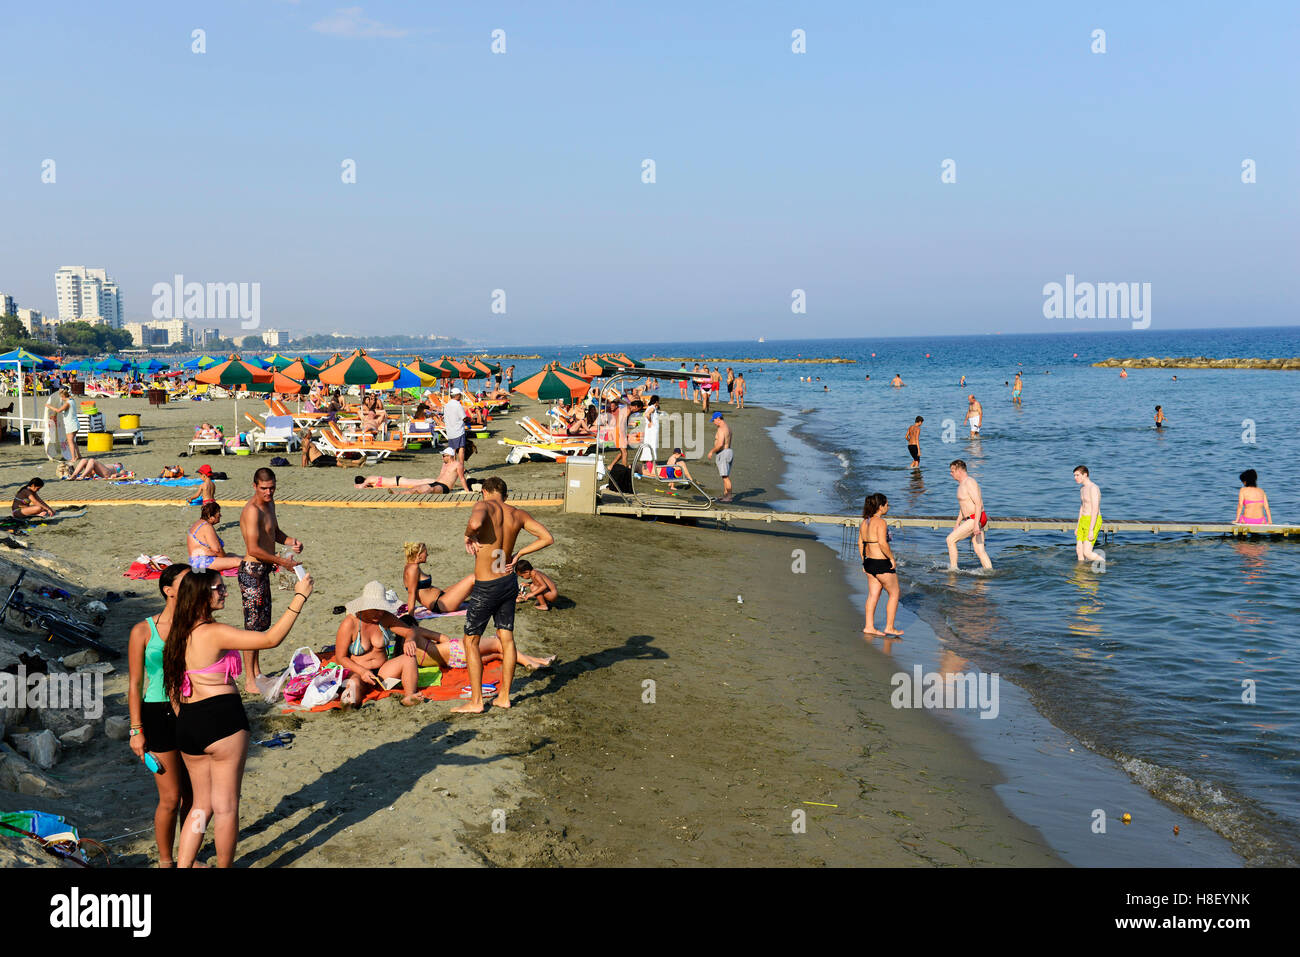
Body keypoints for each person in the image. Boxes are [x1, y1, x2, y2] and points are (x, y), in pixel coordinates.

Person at [163, 567, 313, 867]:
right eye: (219, 588)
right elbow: (270, 639)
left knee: (199, 807)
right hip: (222, 722)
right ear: (202, 595)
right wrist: (299, 597)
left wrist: (185, 722)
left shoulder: (178, 635)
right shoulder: (213, 632)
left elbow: (174, 691)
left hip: (189, 724)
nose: (225, 592)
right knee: (226, 807)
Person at [452, 477, 553, 713]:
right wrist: (518, 554)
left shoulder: (484, 505)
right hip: (508, 583)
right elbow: (547, 538)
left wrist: (469, 535)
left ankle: (477, 701)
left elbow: (476, 523)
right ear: (505, 496)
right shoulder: (517, 514)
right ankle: (504, 697)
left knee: (471, 641)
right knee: (506, 639)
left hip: (486, 586)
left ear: (485, 491)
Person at [126, 563, 193, 867]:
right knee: (171, 798)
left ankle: (187, 858)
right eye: (186, 581)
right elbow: (135, 683)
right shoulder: (143, 630)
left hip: (194, 709)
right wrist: (135, 730)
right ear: (168, 591)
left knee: (195, 798)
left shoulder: (198, 625)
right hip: (157, 712)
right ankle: (166, 862)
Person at [238, 468, 303, 694]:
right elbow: (253, 548)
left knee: (260, 626)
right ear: (254, 486)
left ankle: (257, 673)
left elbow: (273, 533)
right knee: (252, 627)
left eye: (272, 487)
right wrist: (282, 562)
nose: (268, 492)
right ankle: (249, 679)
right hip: (251, 570)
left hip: (263, 570)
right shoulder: (252, 511)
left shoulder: (271, 504)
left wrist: (290, 541)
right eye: (264, 488)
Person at [334, 583, 425, 708]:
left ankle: (409, 695)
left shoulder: (385, 618)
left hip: (383, 671)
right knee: (354, 687)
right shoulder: (350, 623)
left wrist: (409, 640)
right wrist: (362, 671)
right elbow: (340, 657)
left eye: (382, 609)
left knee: (409, 658)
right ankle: (349, 702)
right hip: (358, 671)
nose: (380, 613)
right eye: (376, 609)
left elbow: (410, 631)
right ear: (365, 606)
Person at [858, 493, 903, 637]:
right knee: (894, 593)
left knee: (873, 595)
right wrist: (891, 558)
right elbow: (883, 544)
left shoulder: (865, 522)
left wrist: (863, 561)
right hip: (881, 563)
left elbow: (860, 543)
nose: (888, 507)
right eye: (887, 505)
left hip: (869, 562)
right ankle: (889, 627)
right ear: (880, 507)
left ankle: (869, 626)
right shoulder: (881, 522)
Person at [403, 542, 476, 615]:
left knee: (468, 585)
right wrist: (411, 617)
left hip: (441, 597)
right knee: (472, 578)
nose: (427, 555)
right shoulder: (413, 568)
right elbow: (411, 593)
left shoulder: (410, 566)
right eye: (425, 552)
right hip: (441, 604)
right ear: (419, 555)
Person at [946, 460, 992, 570]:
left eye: (952, 471)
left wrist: (976, 524)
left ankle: (953, 570)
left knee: (950, 540)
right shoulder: (961, 485)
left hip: (976, 517)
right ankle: (989, 572)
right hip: (973, 518)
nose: (950, 474)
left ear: (959, 470)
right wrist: (957, 523)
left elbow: (978, 504)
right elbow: (963, 507)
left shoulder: (969, 482)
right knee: (979, 550)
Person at [188, 503, 244, 573]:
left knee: (234, 555)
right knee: (238, 561)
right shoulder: (207, 527)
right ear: (210, 516)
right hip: (202, 563)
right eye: (218, 513)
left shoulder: (200, 523)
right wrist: (226, 559)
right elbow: (217, 550)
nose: (220, 515)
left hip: (198, 561)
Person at [1073, 466, 1103, 563]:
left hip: (1093, 520)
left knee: (1087, 553)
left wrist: (1091, 529)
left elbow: (1095, 509)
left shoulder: (1093, 488)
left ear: (1085, 475)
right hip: (1083, 520)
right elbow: (1082, 507)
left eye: (1077, 475)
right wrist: (1078, 526)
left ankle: (1104, 564)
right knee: (1079, 551)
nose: (1075, 477)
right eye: (1074, 475)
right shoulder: (1082, 488)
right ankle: (1081, 574)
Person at [442, 387, 470, 490]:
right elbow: (464, 417)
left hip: (450, 430)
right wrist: (469, 419)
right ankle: (460, 467)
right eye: (460, 395)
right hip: (458, 430)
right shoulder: (458, 405)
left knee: (453, 450)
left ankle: (452, 466)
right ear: (457, 395)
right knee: (461, 449)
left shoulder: (447, 405)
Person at [43, 386, 79, 463]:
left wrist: (49, 406)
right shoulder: (72, 400)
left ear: (63, 396)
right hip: (75, 423)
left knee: (70, 441)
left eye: (61, 397)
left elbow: (59, 410)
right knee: (73, 441)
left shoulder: (68, 403)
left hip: (71, 424)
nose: (61, 399)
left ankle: (73, 457)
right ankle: (78, 455)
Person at [706, 412, 734, 503]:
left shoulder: (721, 429)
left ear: (718, 418)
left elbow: (720, 444)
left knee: (725, 477)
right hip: (729, 451)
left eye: (714, 420)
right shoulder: (728, 428)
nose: (714, 422)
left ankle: (729, 497)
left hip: (723, 453)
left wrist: (711, 451)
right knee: (725, 476)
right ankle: (726, 495)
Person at [639, 395, 660, 476]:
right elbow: (647, 414)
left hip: (649, 430)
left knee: (648, 444)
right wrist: (650, 421)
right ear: (656, 401)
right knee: (652, 444)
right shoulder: (653, 407)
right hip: (652, 430)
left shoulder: (650, 407)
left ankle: (648, 461)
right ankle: (652, 461)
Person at [65, 457, 134, 480]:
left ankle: (82, 476)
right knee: (84, 460)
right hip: (96, 471)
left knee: (92, 460)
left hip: (107, 473)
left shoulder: (120, 468)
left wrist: (117, 475)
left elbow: (123, 473)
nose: (118, 463)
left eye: (119, 464)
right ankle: (74, 475)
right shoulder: (113, 465)